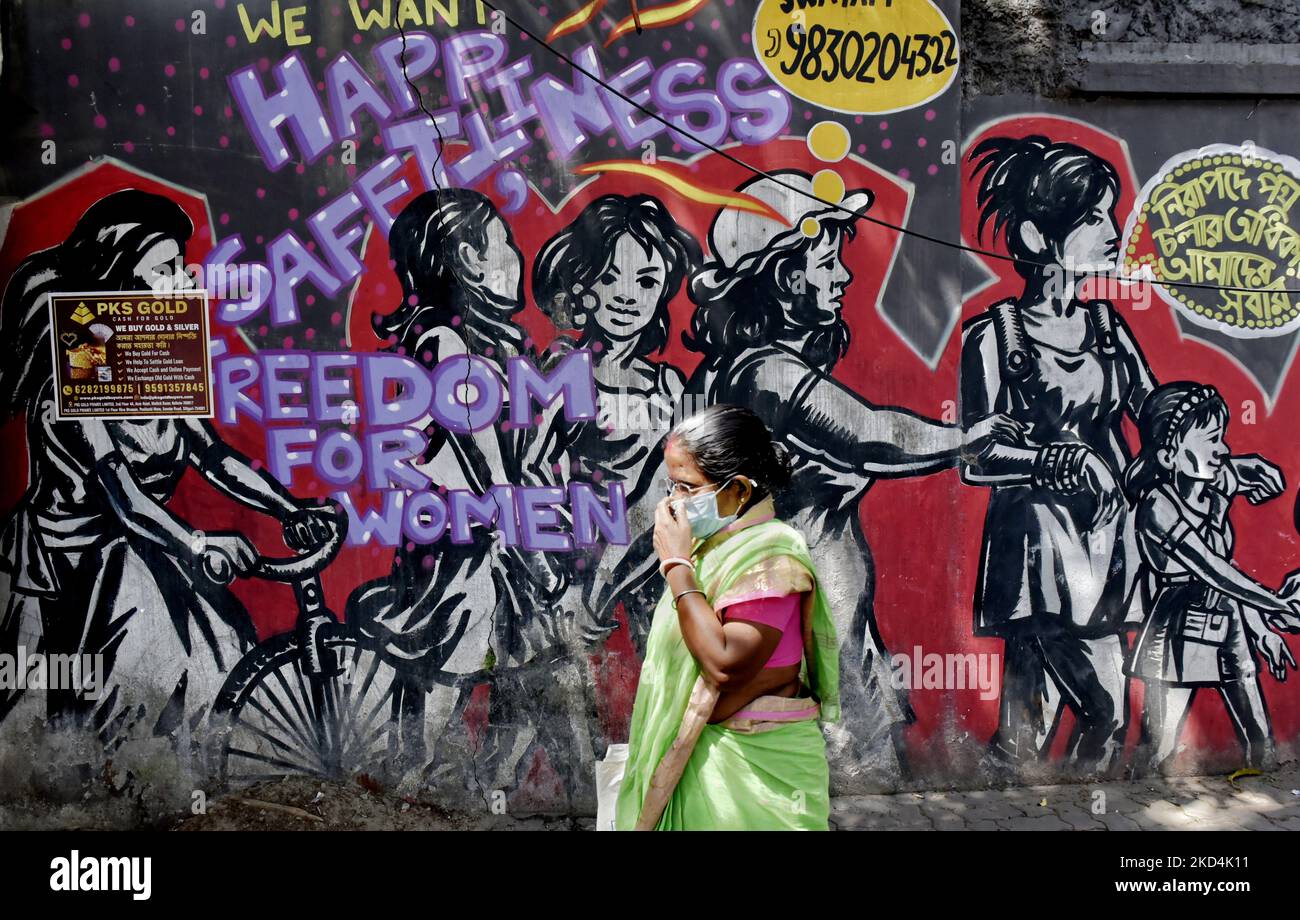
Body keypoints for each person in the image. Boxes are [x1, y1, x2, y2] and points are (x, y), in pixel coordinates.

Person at [960, 136, 1284, 776]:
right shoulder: (994, 335)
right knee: (1100, 711)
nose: (1113, 230)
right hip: (1036, 551)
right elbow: (977, 456)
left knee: (1043, 725)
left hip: (1108, 551)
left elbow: (1160, 421)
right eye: (1093, 217)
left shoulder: (1107, 326)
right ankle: (1027, 803)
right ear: (1036, 236)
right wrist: (1053, 461)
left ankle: (1033, 808)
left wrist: (1223, 465)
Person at [683, 171, 1021, 785]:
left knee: (832, 763)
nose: (844, 275)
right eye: (827, 259)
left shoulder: (736, 371)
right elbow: (869, 434)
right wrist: (966, 436)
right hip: (806, 624)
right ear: (786, 279)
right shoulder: (768, 377)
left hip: (814, 618)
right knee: (849, 770)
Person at [0, 189, 334, 757]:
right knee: (94, 706)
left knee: (221, 643)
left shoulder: (157, 354)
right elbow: (124, 502)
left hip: (144, 549)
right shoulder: (73, 374)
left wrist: (288, 508)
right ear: (120, 283)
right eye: (165, 268)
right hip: (73, 564)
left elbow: (214, 456)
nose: (183, 280)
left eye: (183, 265)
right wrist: (199, 541)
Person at [615, 404, 840, 830]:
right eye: (671, 486)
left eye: (686, 488)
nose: (673, 504)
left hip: (754, 780)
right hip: (710, 764)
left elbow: (723, 663)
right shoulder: (714, 546)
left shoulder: (770, 553)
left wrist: (677, 566)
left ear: (738, 490)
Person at [528, 193, 702, 655]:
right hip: (576, 570)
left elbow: (687, 482)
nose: (628, 297)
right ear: (584, 286)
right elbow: (530, 474)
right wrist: (554, 581)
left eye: (647, 281)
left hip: (651, 567)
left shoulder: (669, 383)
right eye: (610, 278)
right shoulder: (566, 368)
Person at [1122, 382, 1300, 774]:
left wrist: (1261, 630)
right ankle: (1135, 799)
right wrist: (1275, 603)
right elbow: (1211, 568)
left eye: (1222, 437)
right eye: (1211, 440)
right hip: (1177, 630)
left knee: (1260, 737)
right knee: (1159, 746)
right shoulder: (1157, 506)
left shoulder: (1212, 489)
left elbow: (1227, 569)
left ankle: (1264, 791)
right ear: (1170, 455)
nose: (1223, 448)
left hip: (1228, 622)